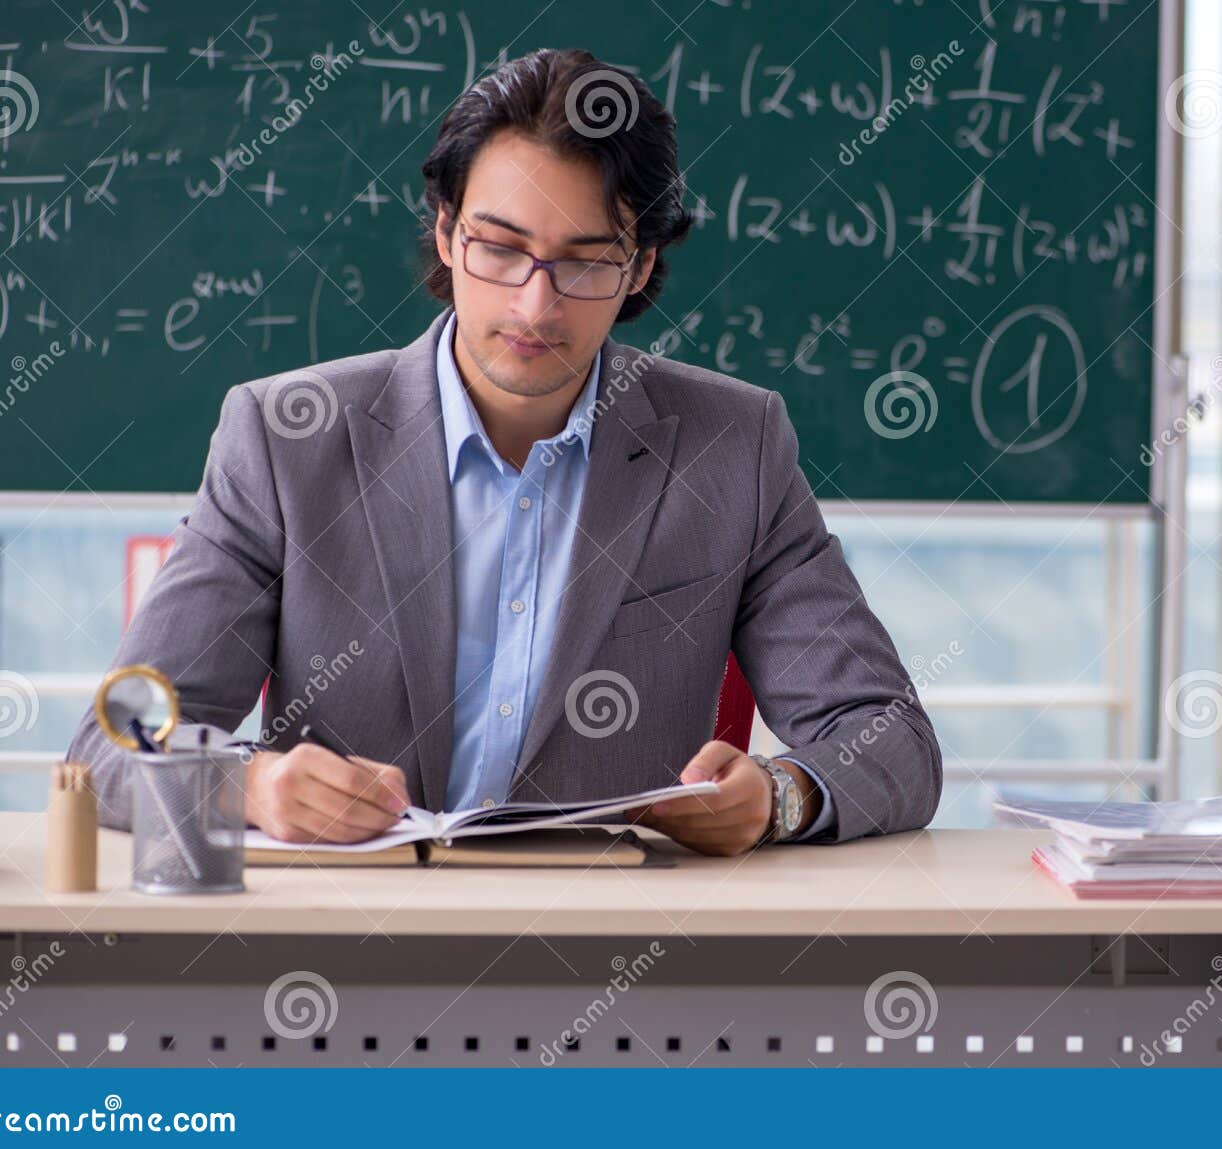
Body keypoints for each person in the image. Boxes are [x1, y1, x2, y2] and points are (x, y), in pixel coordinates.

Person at [66, 47, 942, 855]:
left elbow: (891, 738)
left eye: (585, 262)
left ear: (640, 267)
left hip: (622, 937)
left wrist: (782, 797)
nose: (534, 306)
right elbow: (111, 748)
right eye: (500, 247)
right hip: (349, 935)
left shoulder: (733, 448)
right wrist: (249, 788)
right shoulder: (284, 438)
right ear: (448, 232)